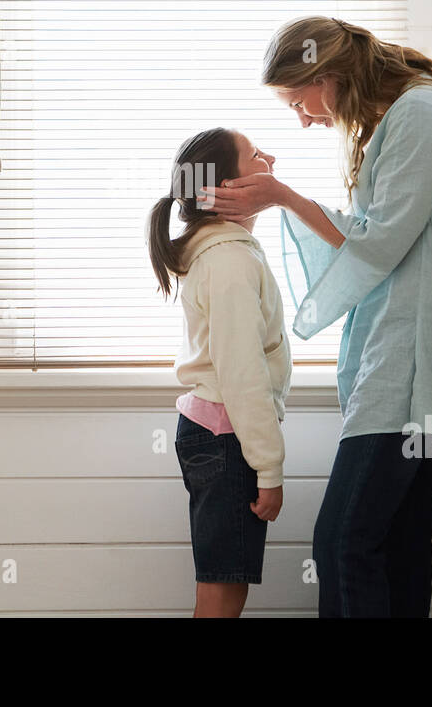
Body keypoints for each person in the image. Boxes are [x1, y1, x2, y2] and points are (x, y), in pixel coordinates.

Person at [200, 16, 432, 617]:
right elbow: (373, 240)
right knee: (396, 547)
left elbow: (376, 243)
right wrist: (288, 201)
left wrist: (284, 197)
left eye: (298, 101)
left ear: (325, 76)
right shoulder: (402, 118)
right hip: (403, 361)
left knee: (342, 545)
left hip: (410, 368)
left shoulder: (421, 115)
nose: (302, 119)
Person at [147, 127, 292, 617]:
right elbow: (242, 372)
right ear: (223, 190)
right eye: (255, 154)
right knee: (223, 588)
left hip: (216, 433)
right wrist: (268, 468)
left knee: (222, 581)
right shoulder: (229, 260)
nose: (269, 157)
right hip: (227, 438)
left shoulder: (223, 253)